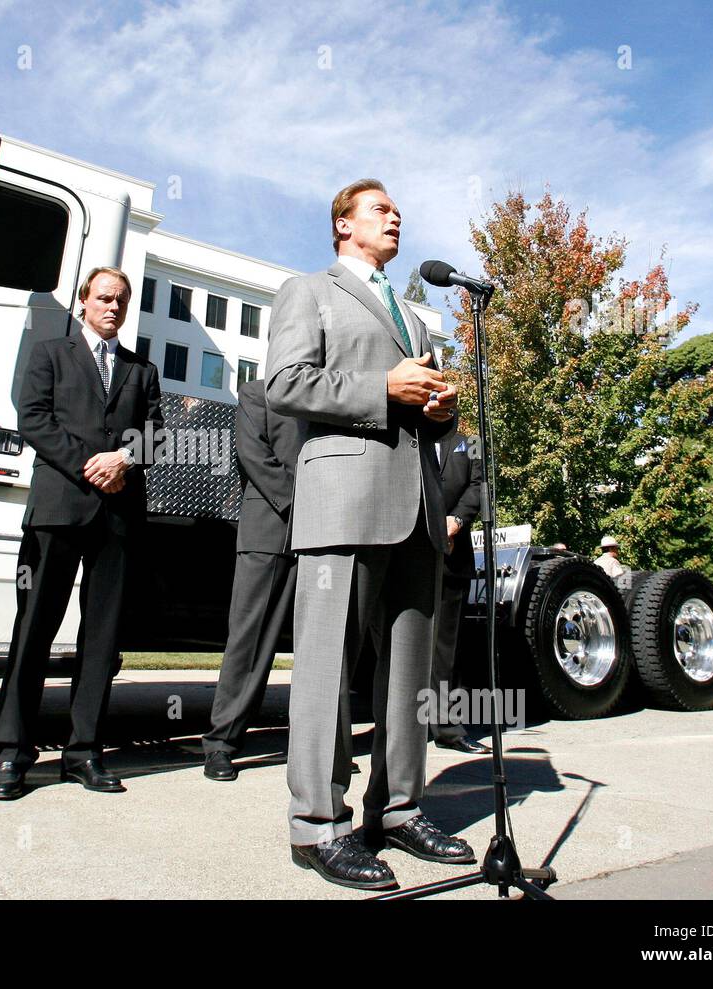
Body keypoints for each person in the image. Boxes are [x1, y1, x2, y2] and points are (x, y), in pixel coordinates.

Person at [266, 179, 475, 891]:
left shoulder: (416, 318)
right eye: (381, 210)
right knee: (327, 668)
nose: (397, 217)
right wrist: (381, 388)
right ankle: (319, 823)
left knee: (408, 675)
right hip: (342, 500)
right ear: (342, 225)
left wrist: (442, 406)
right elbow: (286, 384)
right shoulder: (309, 291)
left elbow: (426, 407)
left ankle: (399, 807)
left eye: (398, 210)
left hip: (415, 507)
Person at [0, 266, 164, 800]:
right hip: (59, 507)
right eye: (104, 297)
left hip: (117, 514)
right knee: (34, 629)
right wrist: (92, 463)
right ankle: (12, 753)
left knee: (102, 639)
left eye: (121, 300)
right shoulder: (50, 353)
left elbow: (155, 435)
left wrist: (124, 460)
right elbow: (32, 419)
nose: (113, 307)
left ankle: (84, 752)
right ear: (83, 300)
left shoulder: (142, 370)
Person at [202, 378, 304, 781]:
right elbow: (253, 453)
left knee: (322, 647)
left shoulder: (328, 396)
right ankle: (221, 743)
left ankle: (315, 748)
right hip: (271, 529)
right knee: (249, 640)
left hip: (325, 534)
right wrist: (306, 501)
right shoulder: (255, 393)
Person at [427, 429, 487, 754]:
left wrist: (457, 521)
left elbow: (479, 485)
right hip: (407, 553)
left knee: (446, 648)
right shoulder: (410, 434)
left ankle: (448, 729)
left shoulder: (472, 441)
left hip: (453, 554)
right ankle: (403, 726)